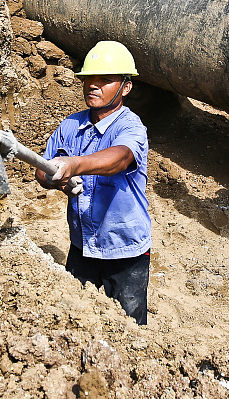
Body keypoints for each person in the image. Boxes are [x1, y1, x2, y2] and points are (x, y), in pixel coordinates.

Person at [38, 41, 151, 325]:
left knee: (128, 329)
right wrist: (55, 180)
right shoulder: (70, 126)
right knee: (74, 320)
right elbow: (42, 171)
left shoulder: (131, 127)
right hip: (82, 244)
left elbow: (120, 159)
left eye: (105, 80)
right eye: (89, 78)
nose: (93, 85)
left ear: (126, 87)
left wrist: (75, 164)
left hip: (124, 248)